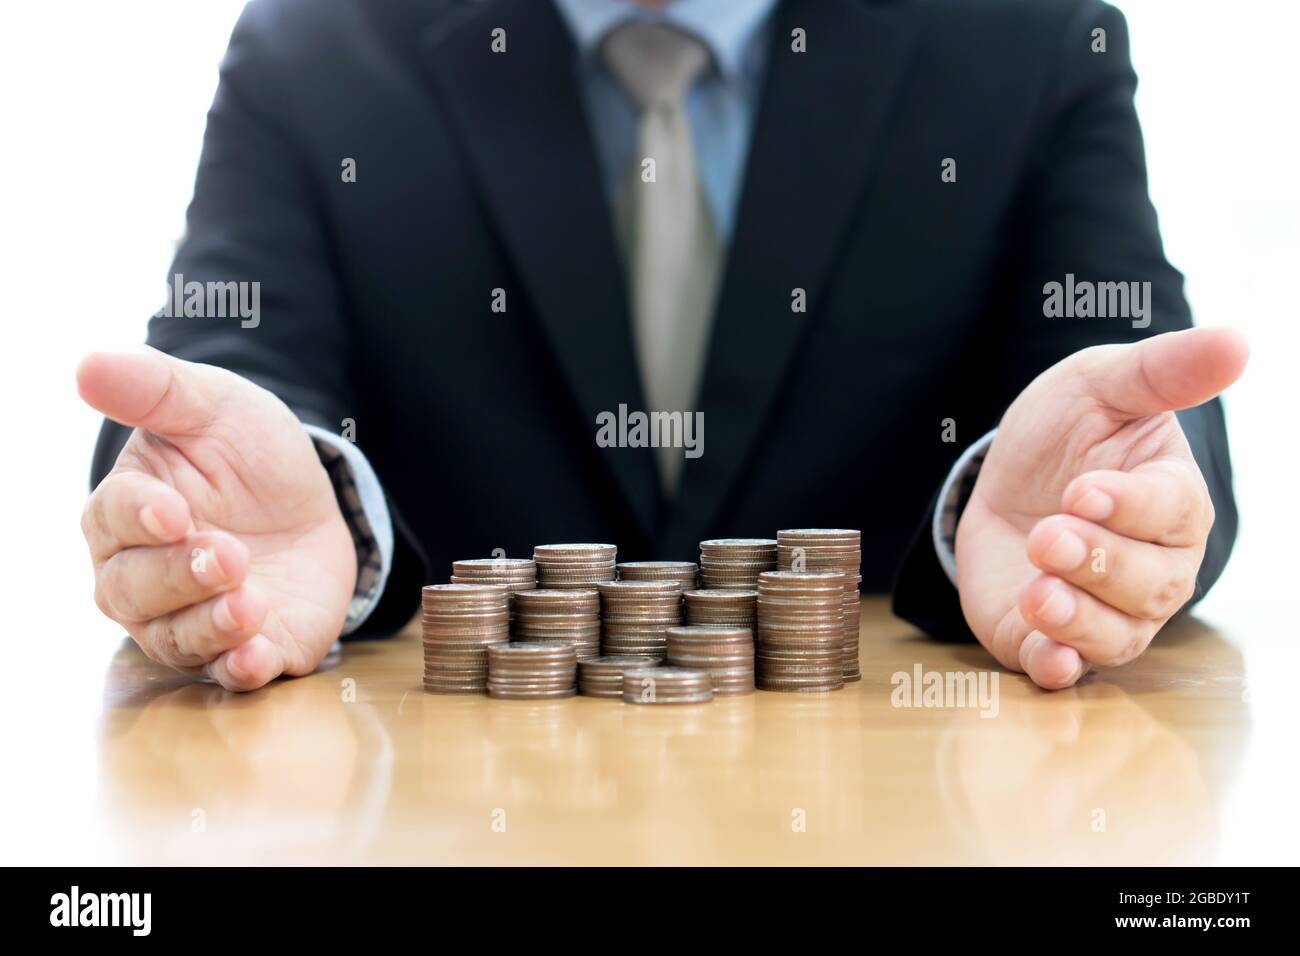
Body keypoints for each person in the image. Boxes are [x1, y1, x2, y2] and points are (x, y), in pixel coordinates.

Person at [77, 0, 1247, 693]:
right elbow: (227, 381)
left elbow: (1123, 374)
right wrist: (233, 506)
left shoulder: (1030, 33)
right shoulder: (311, 44)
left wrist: (1100, 506)